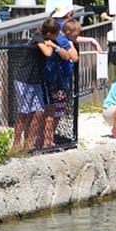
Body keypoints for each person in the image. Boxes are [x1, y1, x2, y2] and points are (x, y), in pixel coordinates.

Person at [11, 19, 59, 152]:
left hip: (36, 81)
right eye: (55, 34)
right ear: (49, 33)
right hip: (24, 79)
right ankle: (16, 143)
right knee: (24, 112)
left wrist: (53, 44)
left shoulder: (49, 41)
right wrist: (51, 45)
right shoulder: (38, 38)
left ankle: (29, 143)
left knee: (39, 111)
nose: (56, 37)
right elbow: (47, 53)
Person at [41, 12, 79, 148]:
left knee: (54, 110)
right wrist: (69, 47)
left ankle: (46, 138)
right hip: (57, 80)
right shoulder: (62, 40)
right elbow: (73, 57)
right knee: (54, 111)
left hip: (57, 79)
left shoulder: (58, 39)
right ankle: (47, 140)